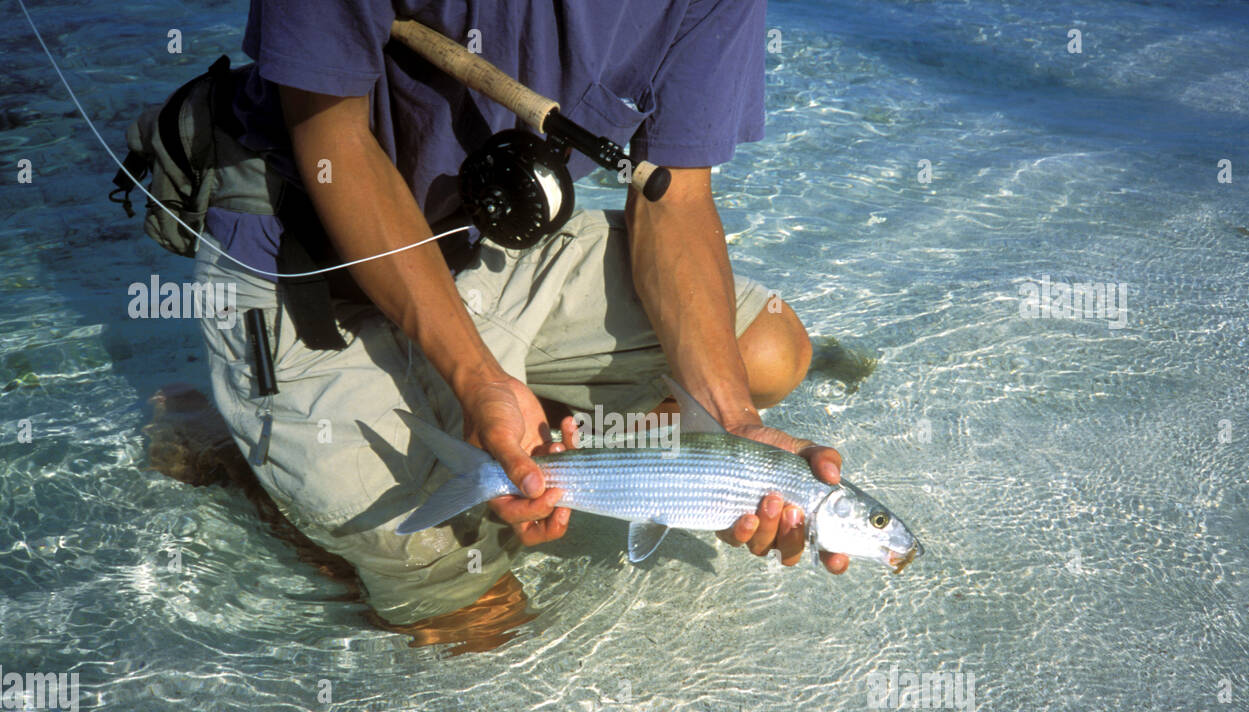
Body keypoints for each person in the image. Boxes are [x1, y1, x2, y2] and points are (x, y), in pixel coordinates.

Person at [194, 0, 850, 626]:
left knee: (764, 352)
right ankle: (255, 466)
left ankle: (527, 439)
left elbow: (673, 198)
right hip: (308, 258)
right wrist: (479, 381)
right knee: (473, 611)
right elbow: (331, 143)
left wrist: (732, 425)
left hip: (488, 240)